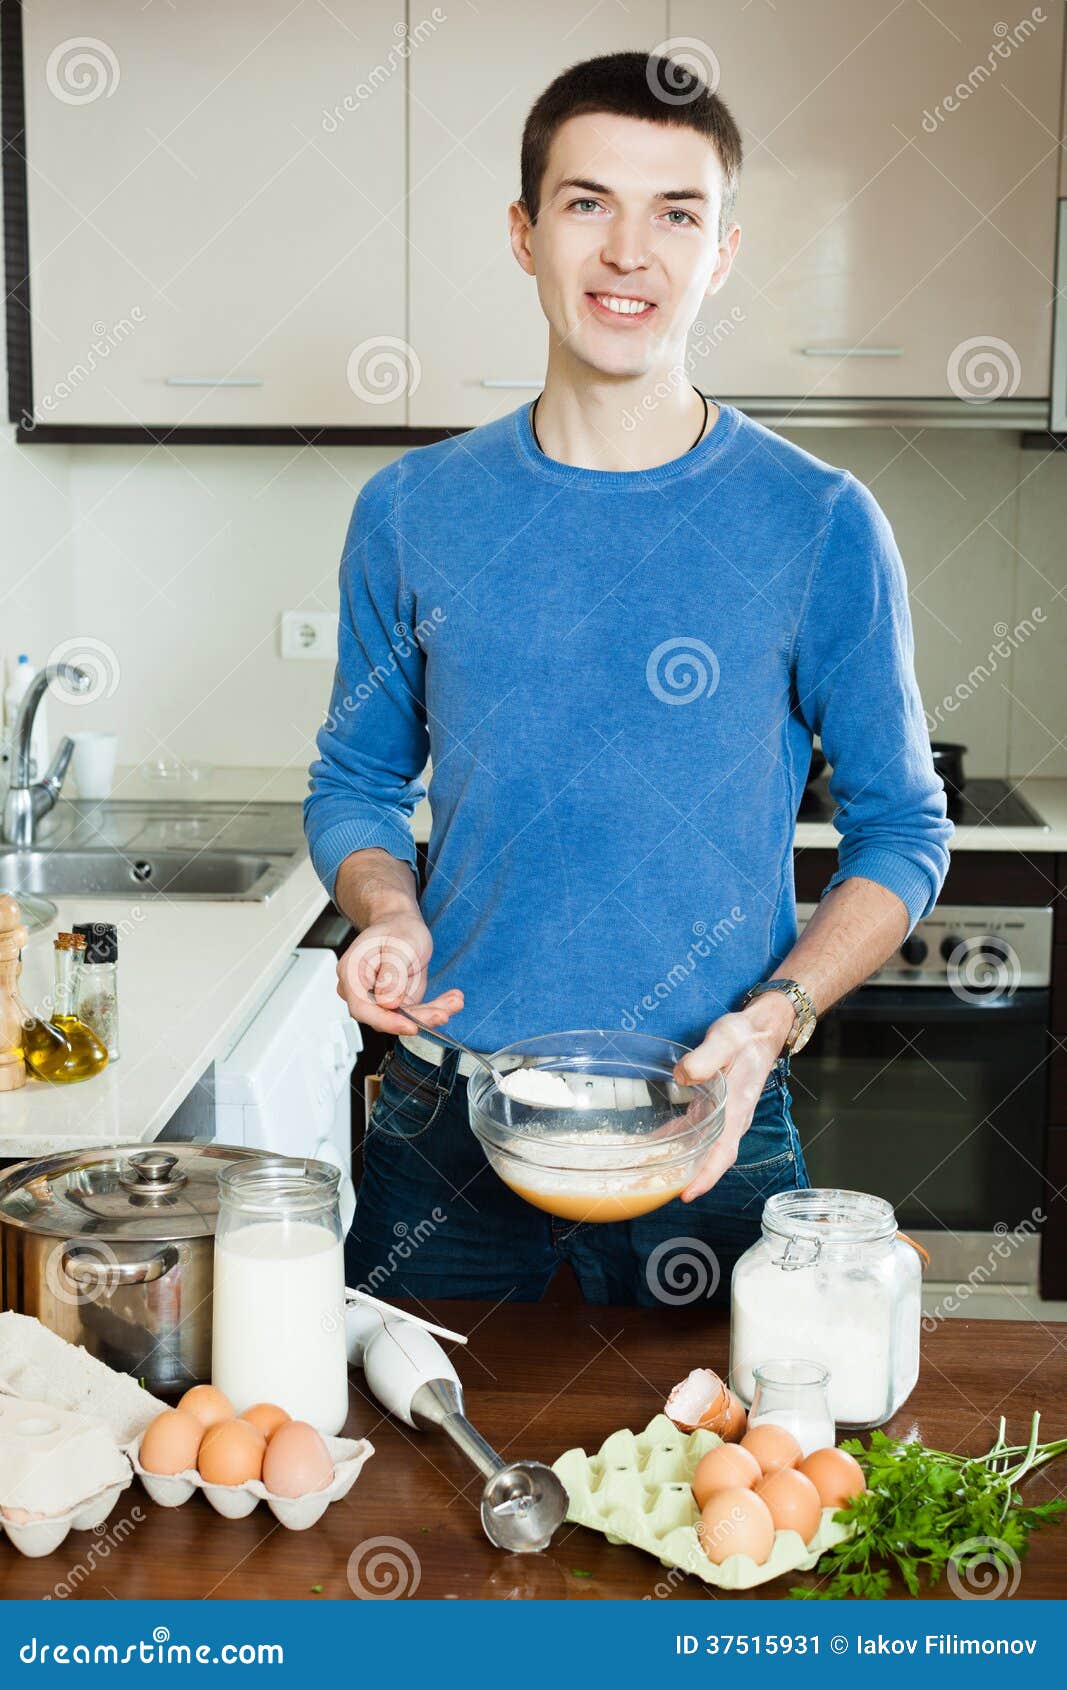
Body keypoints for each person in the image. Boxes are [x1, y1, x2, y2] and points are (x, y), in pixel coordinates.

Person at [304, 50, 952, 1307]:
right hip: (448, 1128)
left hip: (711, 1121)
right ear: (523, 232)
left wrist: (775, 1014)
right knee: (398, 1437)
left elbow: (901, 829)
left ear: (721, 252)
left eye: (676, 213)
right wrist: (386, 907)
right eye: (587, 202)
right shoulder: (412, 510)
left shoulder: (816, 521)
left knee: (722, 1439)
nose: (627, 252)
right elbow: (355, 782)